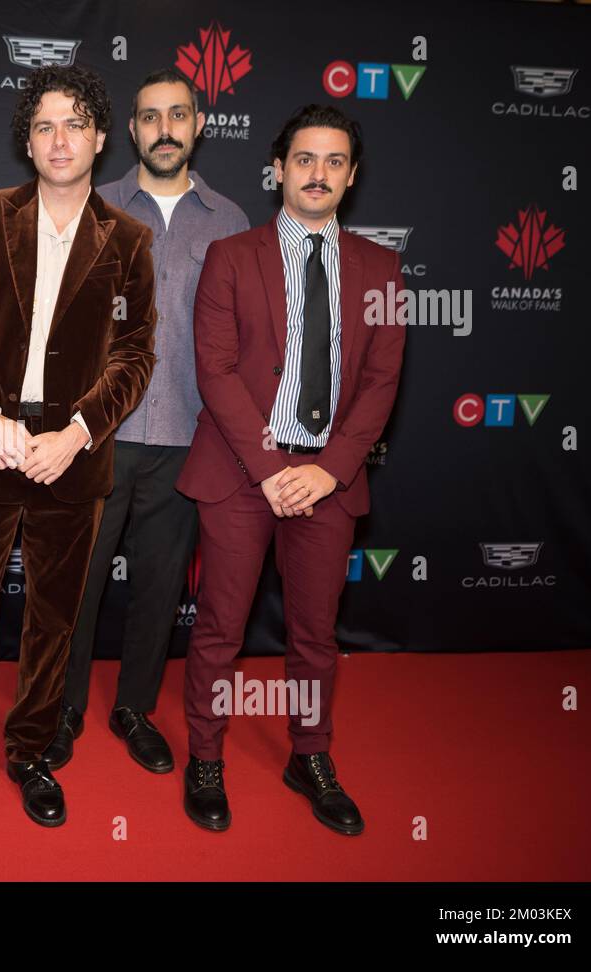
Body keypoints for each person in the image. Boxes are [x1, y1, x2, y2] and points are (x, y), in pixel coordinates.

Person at [0, 64, 158, 859]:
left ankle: (29, 753)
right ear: (29, 139)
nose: (60, 139)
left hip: (71, 460)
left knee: (56, 623)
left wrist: (79, 432)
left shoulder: (128, 241)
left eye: (75, 124)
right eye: (45, 125)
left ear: (99, 138)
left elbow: (134, 355)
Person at [178, 104, 406, 836]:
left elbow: (380, 384)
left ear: (352, 175)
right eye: (305, 159)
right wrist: (272, 467)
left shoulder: (381, 268)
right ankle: (206, 758)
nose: (318, 174)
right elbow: (213, 369)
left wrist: (332, 470)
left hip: (329, 485)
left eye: (334, 161)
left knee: (315, 635)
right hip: (244, 474)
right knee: (219, 629)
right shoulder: (231, 256)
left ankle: (308, 755)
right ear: (278, 169)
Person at [44, 67, 249, 775]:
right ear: (130, 131)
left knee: (160, 587)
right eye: (150, 117)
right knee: (77, 585)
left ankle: (134, 707)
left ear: (198, 125)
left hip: (190, 439)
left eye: (179, 115)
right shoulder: (88, 207)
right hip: (92, 438)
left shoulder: (231, 222)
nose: (165, 128)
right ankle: (63, 707)